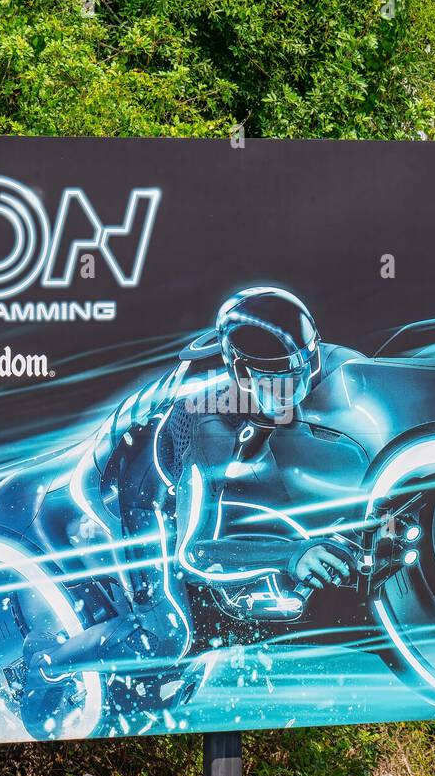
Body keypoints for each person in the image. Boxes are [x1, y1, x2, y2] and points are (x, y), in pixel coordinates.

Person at [25, 285, 360, 689]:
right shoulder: (209, 426)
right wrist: (290, 555)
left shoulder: (325, 362)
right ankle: (46, 663)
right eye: (277, 382)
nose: (293, 393)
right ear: (241, 373)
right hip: (140, 481)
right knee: (167, 634)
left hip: (211, 443)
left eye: (300, 374)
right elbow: (194, 554)